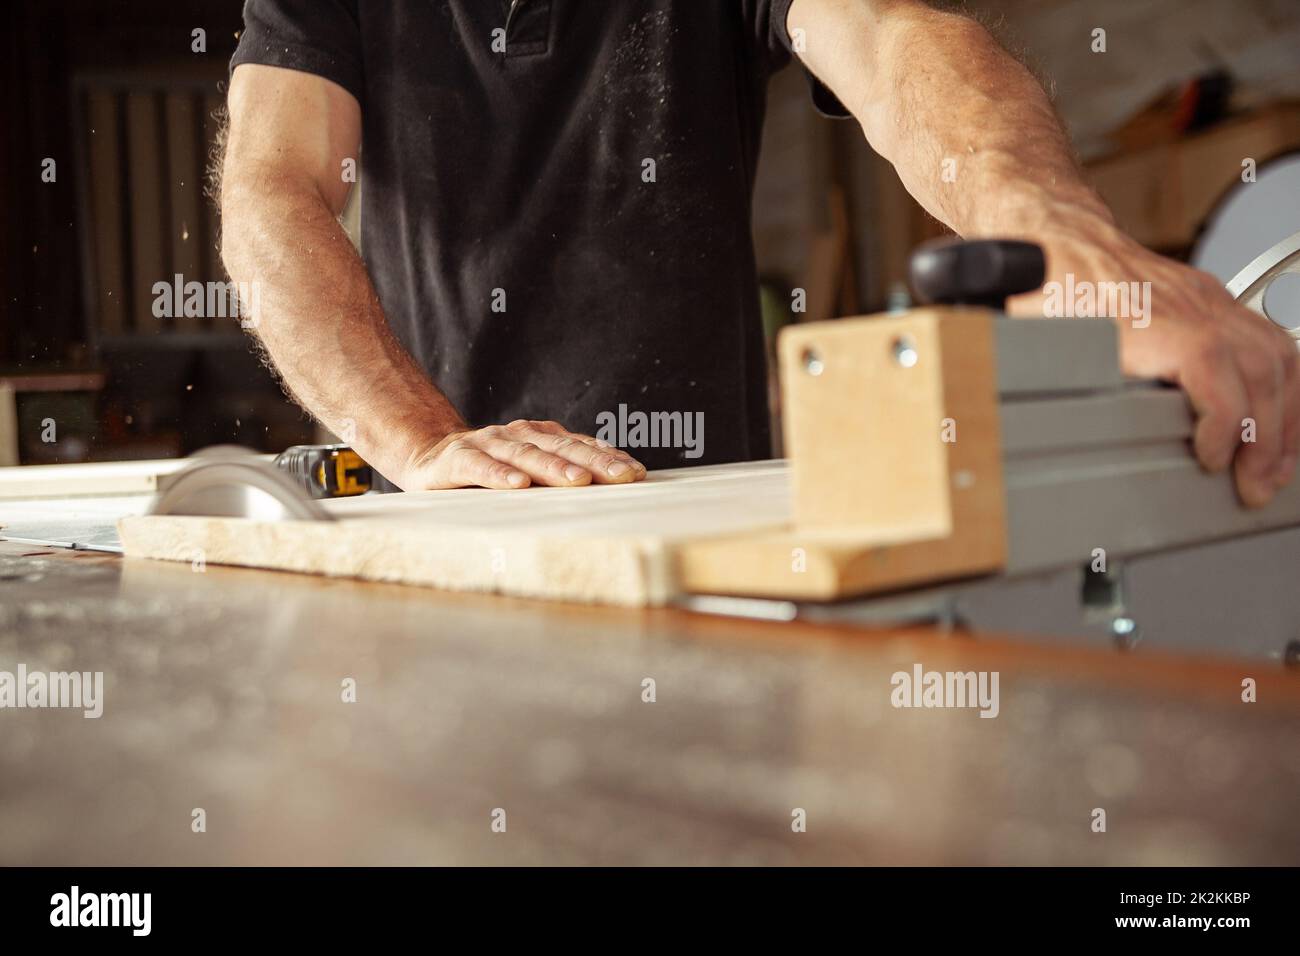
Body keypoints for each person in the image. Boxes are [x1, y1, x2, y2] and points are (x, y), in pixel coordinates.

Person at [219, 0, 1298, 505]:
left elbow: (892, 37)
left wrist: (1058, 237)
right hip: (445, 520)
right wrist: (420, 444)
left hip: (716, 511)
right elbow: (274, 187)